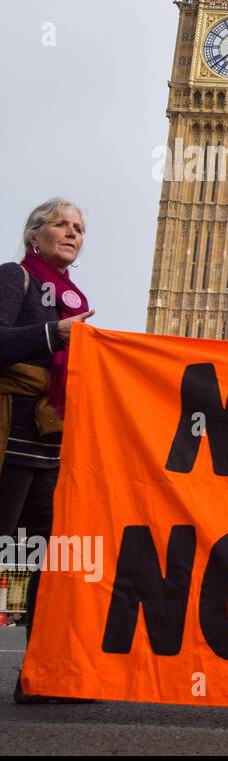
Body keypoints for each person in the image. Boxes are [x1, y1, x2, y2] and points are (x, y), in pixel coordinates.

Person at [0, 198, 95, 704]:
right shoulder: (14, 278)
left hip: (49, 447)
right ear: (34, 233)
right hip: (8, 442)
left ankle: (41, 676)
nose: (72, 232)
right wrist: (50, 334)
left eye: (79, 228)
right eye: (61, 224)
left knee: (47, 564)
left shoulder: (75, 300)